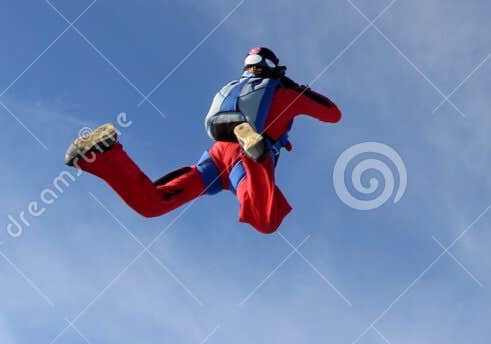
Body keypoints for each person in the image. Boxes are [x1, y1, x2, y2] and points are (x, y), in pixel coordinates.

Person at [65, 47, 341, 235]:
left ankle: (103, 155)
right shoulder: (284, 93)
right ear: (273, 67)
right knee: (265, 219)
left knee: (153, 204)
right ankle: (254, 150)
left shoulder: (231, 88)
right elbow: (332, 114)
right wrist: (292, 85)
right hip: (243, 162)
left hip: (213, 159)